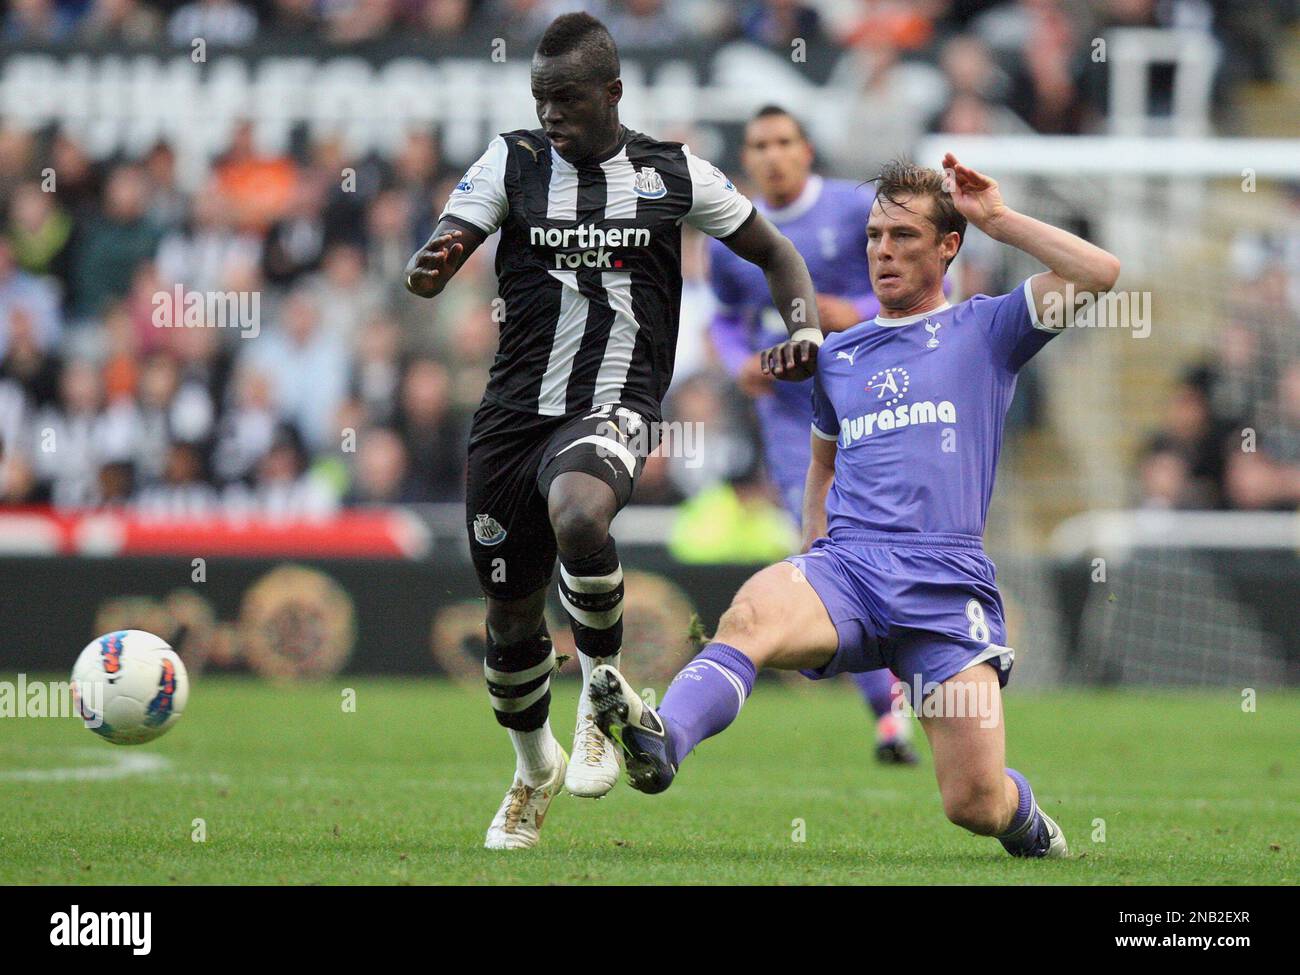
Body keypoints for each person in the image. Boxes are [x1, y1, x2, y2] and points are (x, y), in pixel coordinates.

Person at [590, 155, 1122, 859]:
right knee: (749, 614)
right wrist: (813, 550)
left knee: (974, 802)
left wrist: (998, 218)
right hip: (848, 570)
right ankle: (664, 737)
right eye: (874, 235)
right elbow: (822, 465)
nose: (883, 250)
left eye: (903, 236)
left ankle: (1027, 821)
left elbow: (1100, 274)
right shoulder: (838, 358)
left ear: (948, 246)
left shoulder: (988, 329)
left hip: (944, 585)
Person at [404, 13, 823, 850]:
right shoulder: (513, 160)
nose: (552, 114)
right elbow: (456, 229)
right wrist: (441, 254)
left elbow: (776, 252)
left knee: (581, 515)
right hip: (512, 417)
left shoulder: (672, 173)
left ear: (612, 93)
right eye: (541, 98)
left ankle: (601, 690)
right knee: (510, 618)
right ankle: (532, 769)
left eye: (566, 98)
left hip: (616, 400)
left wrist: (805, 328)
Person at [709, 104, 916, 764]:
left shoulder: (851, 215)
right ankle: (887, 712)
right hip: (792, 415)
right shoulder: (732, 234)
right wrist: (736, 355)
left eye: (784, 141)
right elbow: (724, 316)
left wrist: (848, 311)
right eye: (759, 144)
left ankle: (916, 685)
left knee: (886, 547)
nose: (772, 154)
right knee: (828, 551)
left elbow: (909, 289)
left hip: (871, 401)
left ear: (806, 151)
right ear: (749, 158)